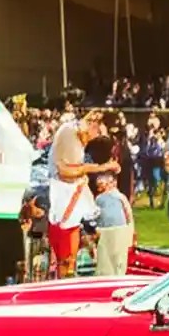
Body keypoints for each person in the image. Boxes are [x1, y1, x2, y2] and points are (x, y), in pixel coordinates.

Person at [48, 110, 119, 278]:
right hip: (65, 200)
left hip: (69, 200)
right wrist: (101, 168)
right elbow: (66, 171)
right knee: (66, 256)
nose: (98, 138)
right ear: (93, 123)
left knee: (70, 254)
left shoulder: (76, 136)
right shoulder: (69, 134)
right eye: (99, 132)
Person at [92, 173, 133, 276]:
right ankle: (105, 275)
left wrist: (130, 230)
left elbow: (128, 212)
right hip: (103, 230)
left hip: (119, 229)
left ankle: (119, 274)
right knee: (104, 256)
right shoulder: (98, 199)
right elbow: (95, 214)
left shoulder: (119, 197)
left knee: (119, 256)